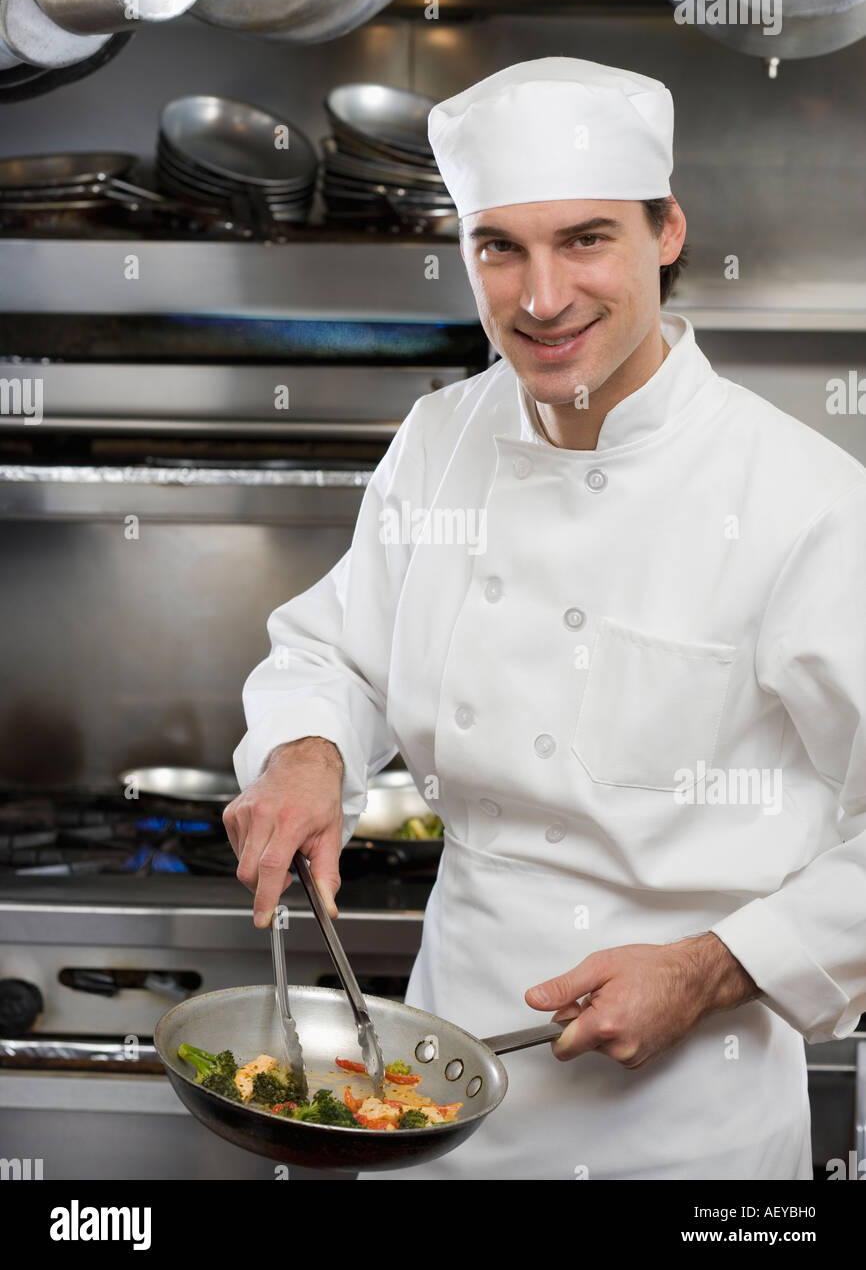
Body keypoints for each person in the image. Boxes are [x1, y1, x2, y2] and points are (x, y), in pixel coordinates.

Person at [227, 57, 866, 1179]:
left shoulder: (803, 501)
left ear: (666, 230)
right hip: (432, 1088)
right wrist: (306, 750)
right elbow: (339, 649)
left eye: (583, 239)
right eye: (498, 248)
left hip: (684, 1131)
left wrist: (713, 966)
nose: (539, 298)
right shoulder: (441, 436)